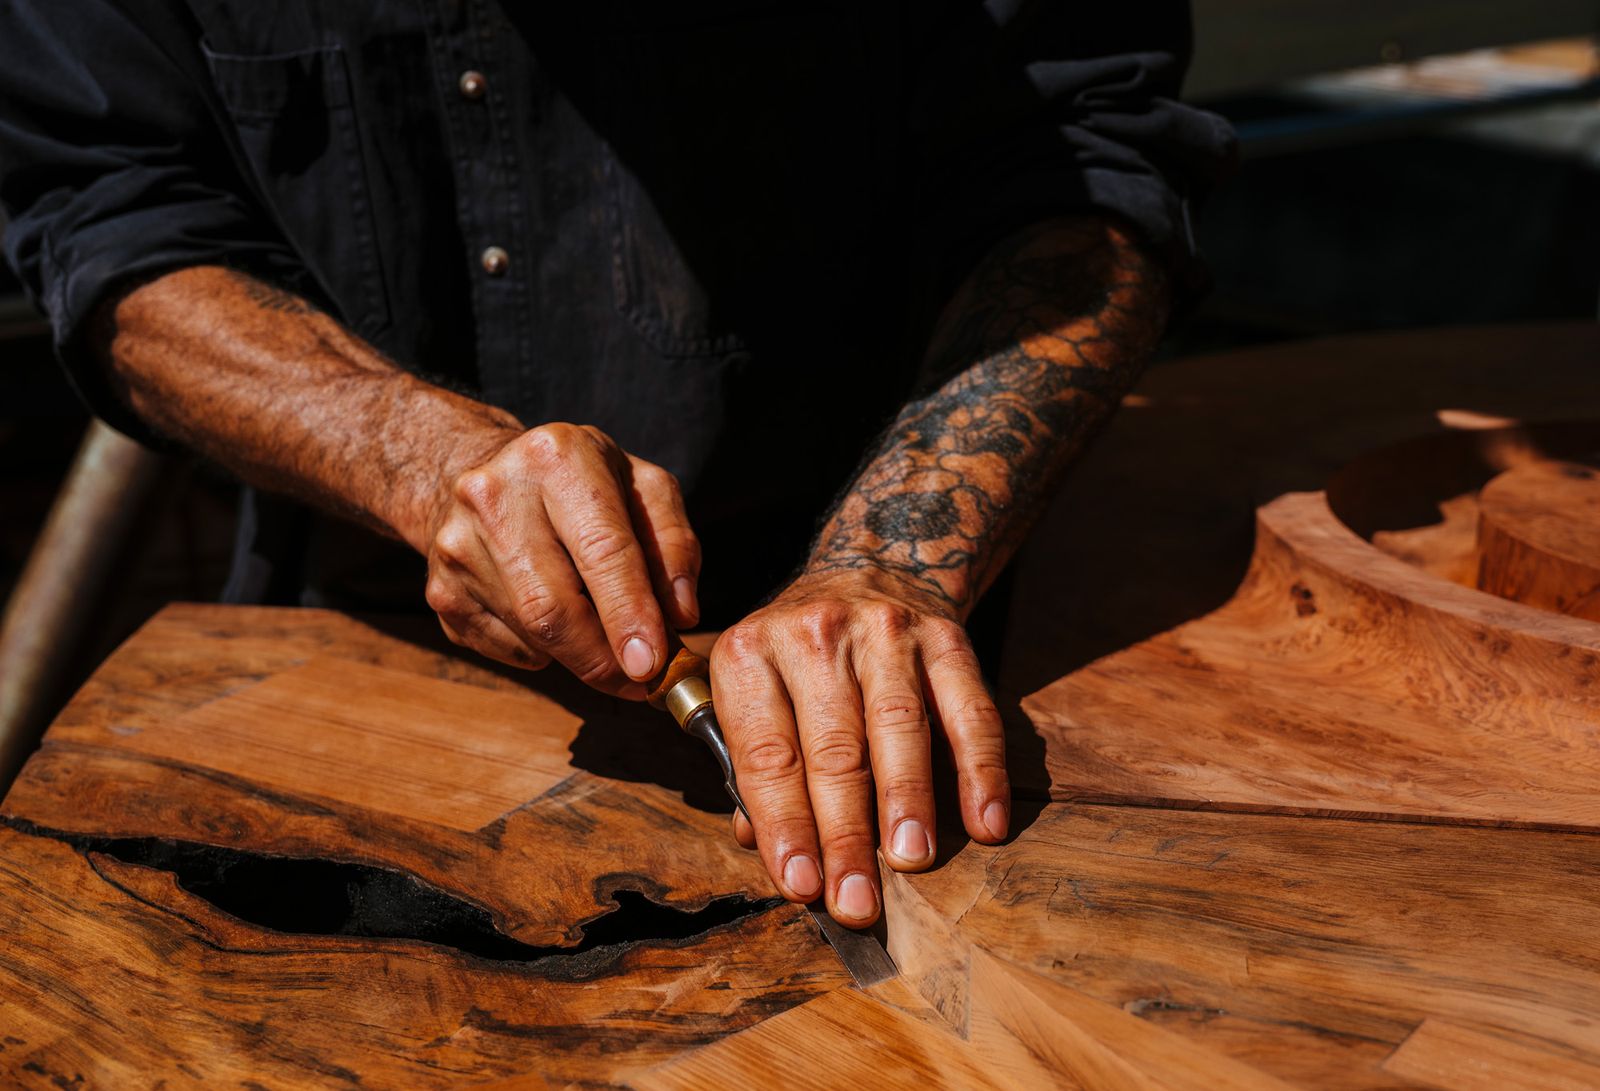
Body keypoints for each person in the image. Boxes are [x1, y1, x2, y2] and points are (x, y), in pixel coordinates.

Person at [0, 1, 1234, 926]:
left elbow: (1090, 157)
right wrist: (413, 454)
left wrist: (892, 559)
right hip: (354, 665)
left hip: (907, 630)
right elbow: (109, 213)